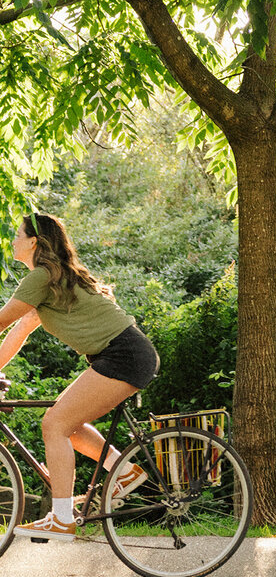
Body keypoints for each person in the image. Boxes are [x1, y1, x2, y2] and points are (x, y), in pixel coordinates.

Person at [0, 212, 159, 542]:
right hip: (125, 354)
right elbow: (19, 331)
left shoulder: (41, 277)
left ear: (33, 242)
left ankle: (61, 519)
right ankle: (123, 470)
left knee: (54, 424)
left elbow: (1, 322)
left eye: (18, 235)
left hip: (123, 355)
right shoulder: (52, 279)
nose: (13, 241)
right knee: (65, 424)